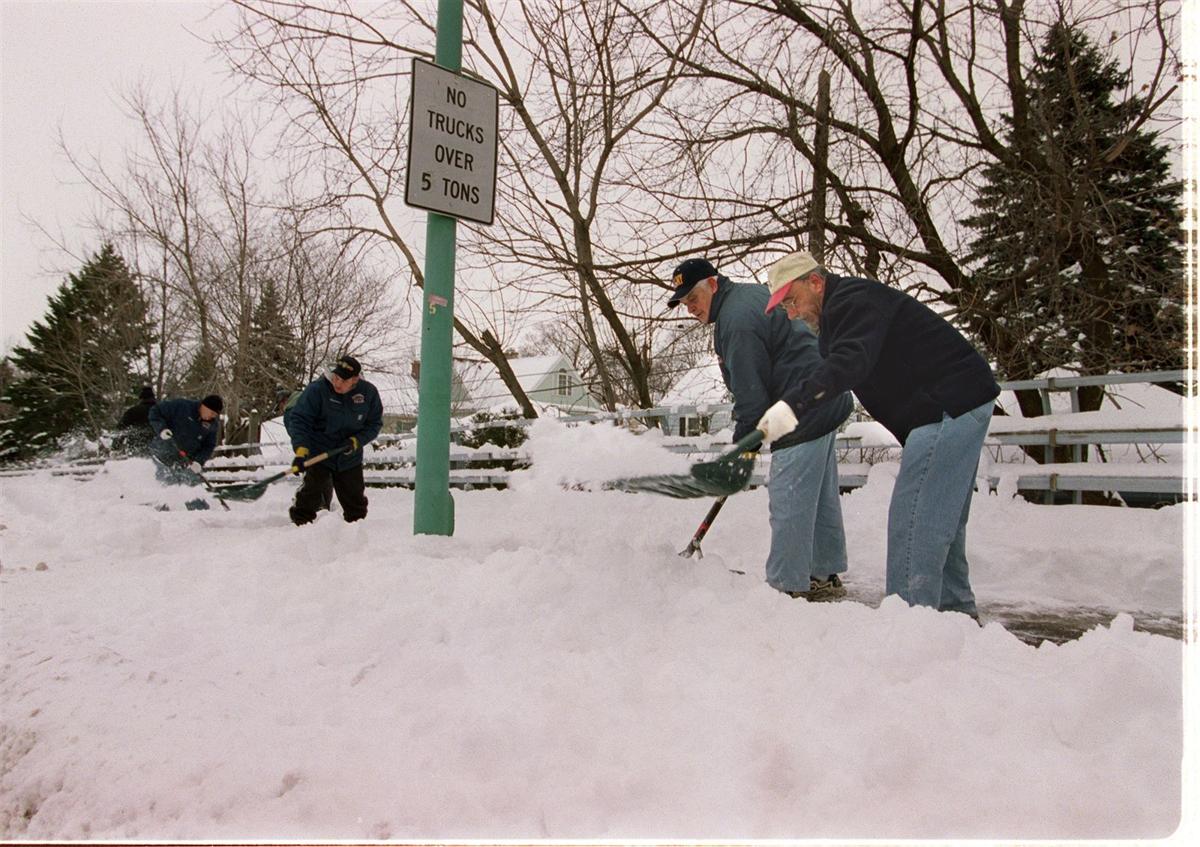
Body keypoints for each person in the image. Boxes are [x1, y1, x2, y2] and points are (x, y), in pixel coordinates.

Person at [765, 250, 1001, 618]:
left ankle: (906, 630)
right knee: (941, 523)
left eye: (792, 301)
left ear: (815, 282)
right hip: (957, 403)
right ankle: (956, 617)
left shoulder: (851, 303)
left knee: (913, 525)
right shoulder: (847, 308)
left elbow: (848, 364)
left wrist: (791, 406)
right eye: (785, 308)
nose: (792, 313)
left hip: (946, 407)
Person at [667, 257, 854, 601]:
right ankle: (821, 572)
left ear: (713, 283)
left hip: (803, 408)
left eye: (693, 297)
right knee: (818, 495)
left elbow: (751, 394)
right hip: (826, 395)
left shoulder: (736, 321)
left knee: (790, 499)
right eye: (684, 303)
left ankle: (786, 588)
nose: (690, 308)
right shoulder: (747, 298)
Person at [285, 355, 383, 526]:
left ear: (355, 379)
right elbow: (300, 420)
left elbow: (374, 424)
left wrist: (356, 441)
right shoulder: (317, 390)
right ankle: (300, 529)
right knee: (311, 494)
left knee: (355, 501)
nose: (337, 383)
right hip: (319, 451)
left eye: (343, 380)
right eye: (335, 377)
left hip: (348, 456)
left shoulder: (368, 394)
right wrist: (301, 450)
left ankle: (356, 536)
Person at [147, 394, 224, 504]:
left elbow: (208, 446)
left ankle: (201, 516)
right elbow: (155, 411)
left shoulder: (212, 424)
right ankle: (159, 515)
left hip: (185, 462)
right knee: (168, 490)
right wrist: (162, 429)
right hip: (162, 456)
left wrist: (199, 461)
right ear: (204, 406)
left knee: (193, 491)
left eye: (215, 415)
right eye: (211, 413)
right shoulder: (182, 406)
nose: (212, 417)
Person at [113, 385, 156, 456]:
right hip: (159, 446)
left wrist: (115, 447)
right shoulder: (162, 411)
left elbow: (121, 429)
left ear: (141, 399)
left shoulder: (132, 411)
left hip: (136, 445)